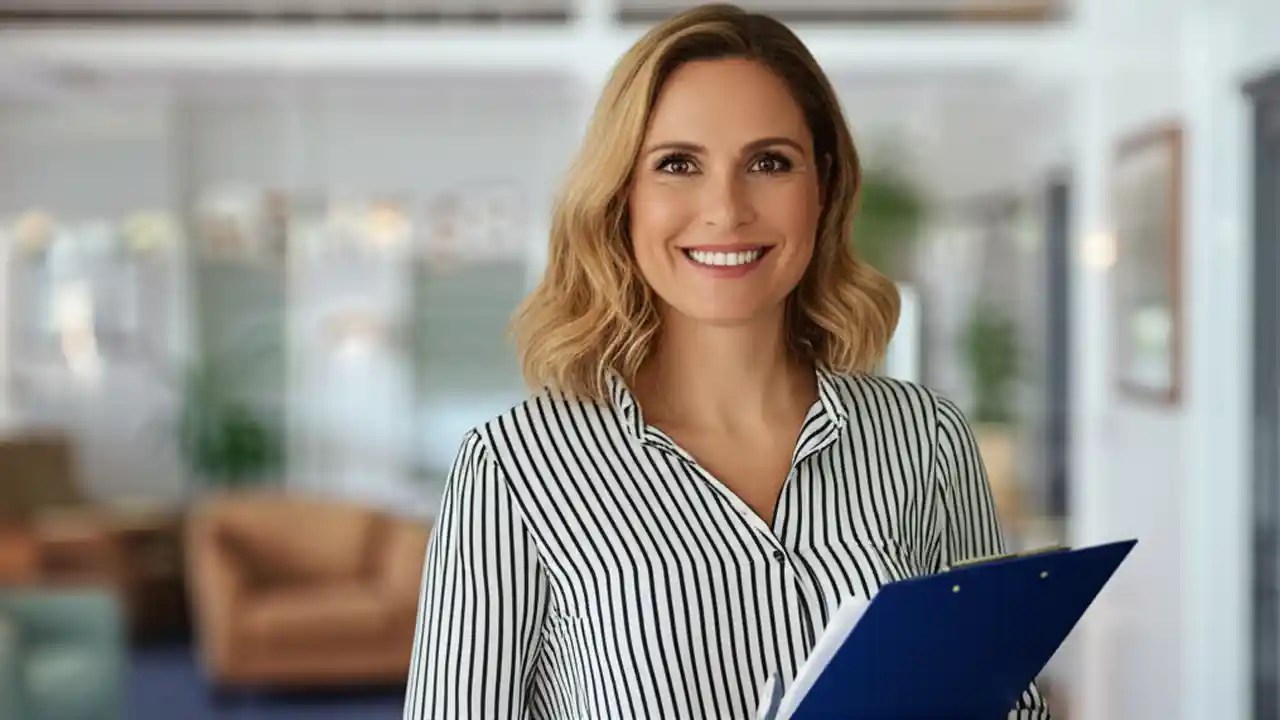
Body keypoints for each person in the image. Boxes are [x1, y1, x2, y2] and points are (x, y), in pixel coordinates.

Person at [403, 4, 1049, 718]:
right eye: (677, 165)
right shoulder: (514, 471)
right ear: (623, 196)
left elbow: (1003, 704)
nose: (726, 208)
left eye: (769, 163)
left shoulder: (925, 440)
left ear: (823, 186)